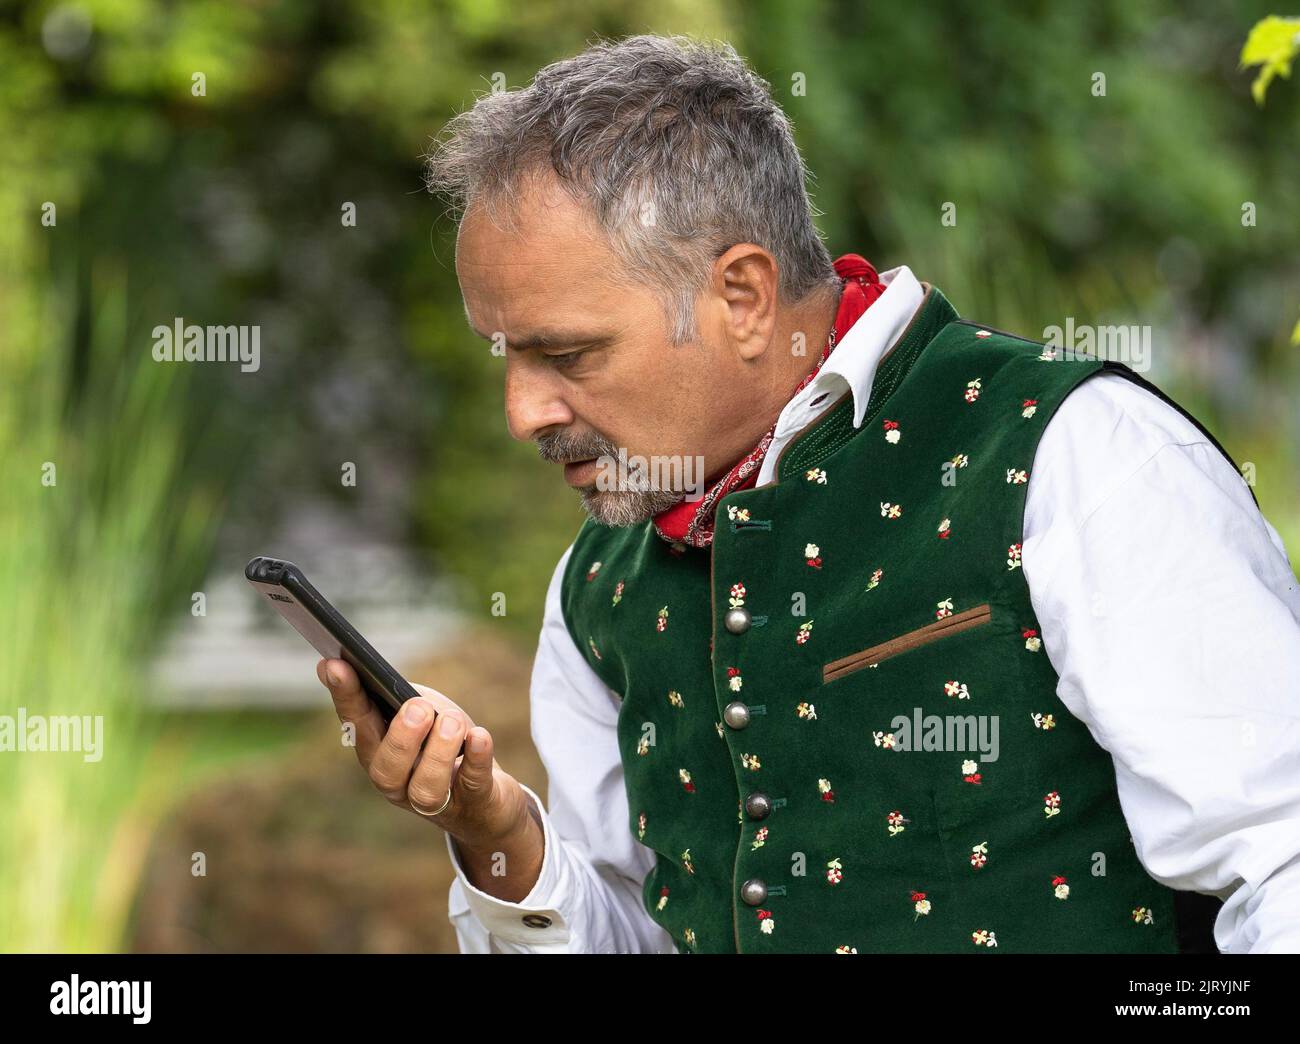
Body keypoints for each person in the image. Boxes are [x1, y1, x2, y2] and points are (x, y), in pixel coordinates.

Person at [318, 34, 1300, 954]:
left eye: (566, 353)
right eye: (506, 354)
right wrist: (497, 832)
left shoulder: (1073, 453)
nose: (523, 411)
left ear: (741, 298)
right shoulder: (597, 583)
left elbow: (1282, 858)